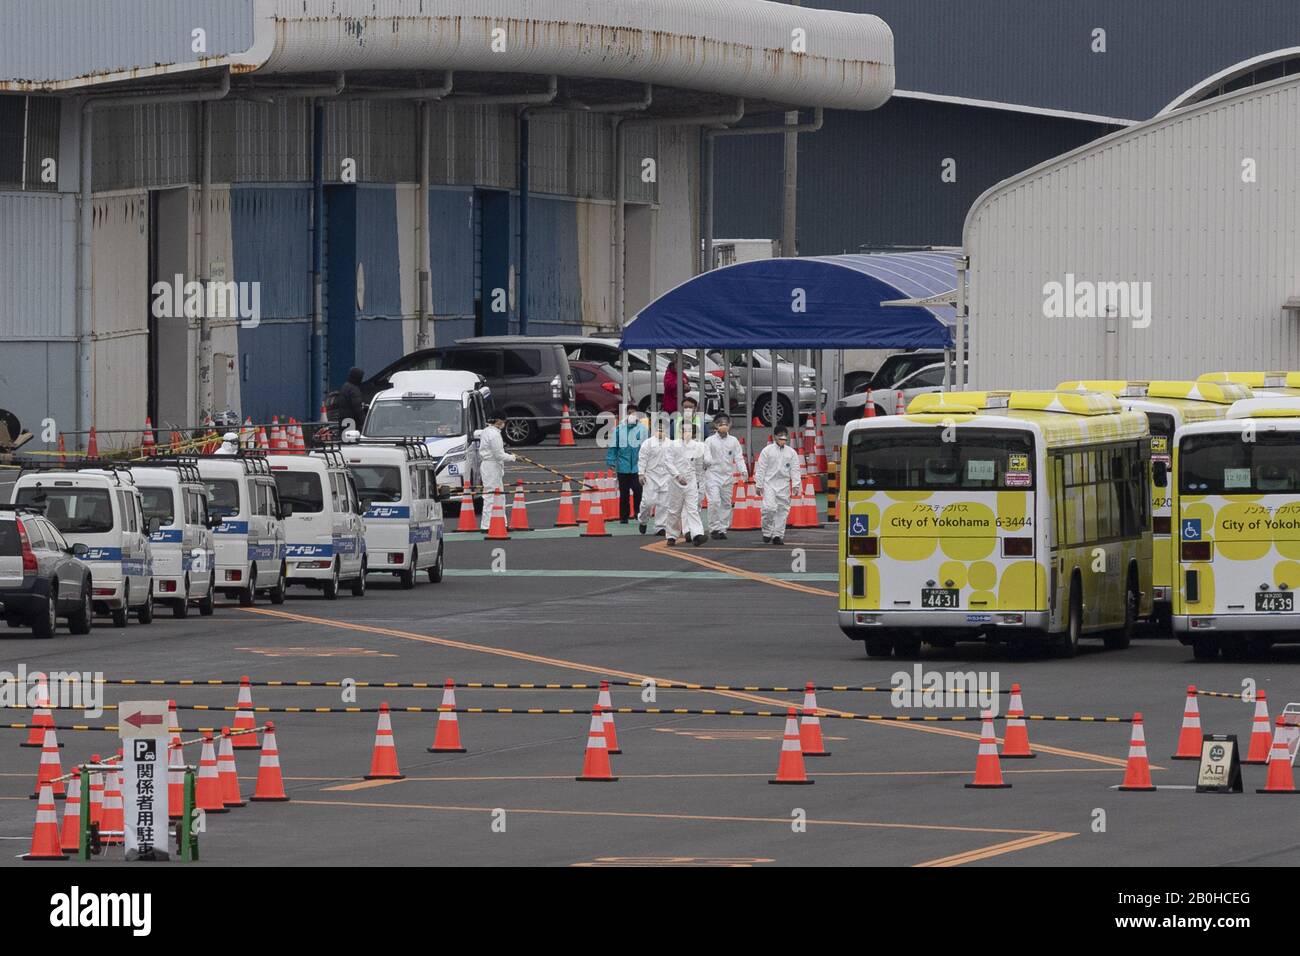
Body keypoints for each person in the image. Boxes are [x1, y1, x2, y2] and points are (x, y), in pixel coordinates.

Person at [754, 425, 802, 546]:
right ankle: (766, 531)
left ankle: (778, 535)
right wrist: (759, 484)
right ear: (775, 437)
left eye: (784, 436)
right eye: (780, 435)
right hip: (769, 483)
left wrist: (796, 484)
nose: (782, 438)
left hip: (784, 485)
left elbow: (795, 469)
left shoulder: (791, 453)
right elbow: (761, 469)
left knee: (783, 510)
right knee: (769, 509)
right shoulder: (767, 451)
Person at [663, 418, 707, 547]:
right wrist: (677, 476)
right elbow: (668, 462)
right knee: (674, 510)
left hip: (691, 481)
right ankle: (671, 535)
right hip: (675, 482)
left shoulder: (697, 447)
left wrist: (698, 481)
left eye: (689, 430)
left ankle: (697, 534)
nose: (686, 433)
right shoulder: (672, 445)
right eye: (684, 430)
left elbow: (699, 466)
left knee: (692, 509)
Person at [703, 414, 746, 539]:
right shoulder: (710, 441)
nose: (724, 426)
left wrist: (743, 470)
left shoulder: (733, 441)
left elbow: (738, 457)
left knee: (726, 504)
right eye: (721, 424)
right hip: (712, 475)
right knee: (714, 502)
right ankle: (714, 528)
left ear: (730, 425)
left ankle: (722, 528)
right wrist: (707, 461)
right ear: (715, 425)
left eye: (726, 424)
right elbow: (706, 455)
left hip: (727, 476)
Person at [605, 409, 647, 524]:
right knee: (624, 493)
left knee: (638, 490)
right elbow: (613, 446)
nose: (631, 416)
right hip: (623, 466)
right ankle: (624, 516)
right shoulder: (619, 429)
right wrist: (611, 461)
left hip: (638, 466)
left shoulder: (643, 429)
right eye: (629, 413)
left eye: (634, 413)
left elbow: (647, 447)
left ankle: (638, 512)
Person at [477, 414, 515, 530]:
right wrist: (512, 457)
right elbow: (499, 455)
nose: (504, 424)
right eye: (503, 421)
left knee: (496, 495)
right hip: (492, 465)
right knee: (492, 495)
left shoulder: (486, 431)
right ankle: (487, 525)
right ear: (498, 421)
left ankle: (501, 523)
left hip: (489, 465)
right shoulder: (494, 435)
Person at [637, 415, 671, 535]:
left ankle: (660, 527)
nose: (661, 430)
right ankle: (642, 520)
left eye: (663, 428)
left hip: (666, 477)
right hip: (650, 476)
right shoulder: (648, 443)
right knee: (648, 502)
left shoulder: (671, 444)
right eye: (658, 428)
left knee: (664, 504)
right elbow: (642, 459)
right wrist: (641, 474)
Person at [338, 366, 366, 432]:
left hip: (344, 421)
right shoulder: (354, 390)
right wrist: (364, 422)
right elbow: (357, 409)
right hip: (352, 422)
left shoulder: (344, 386)